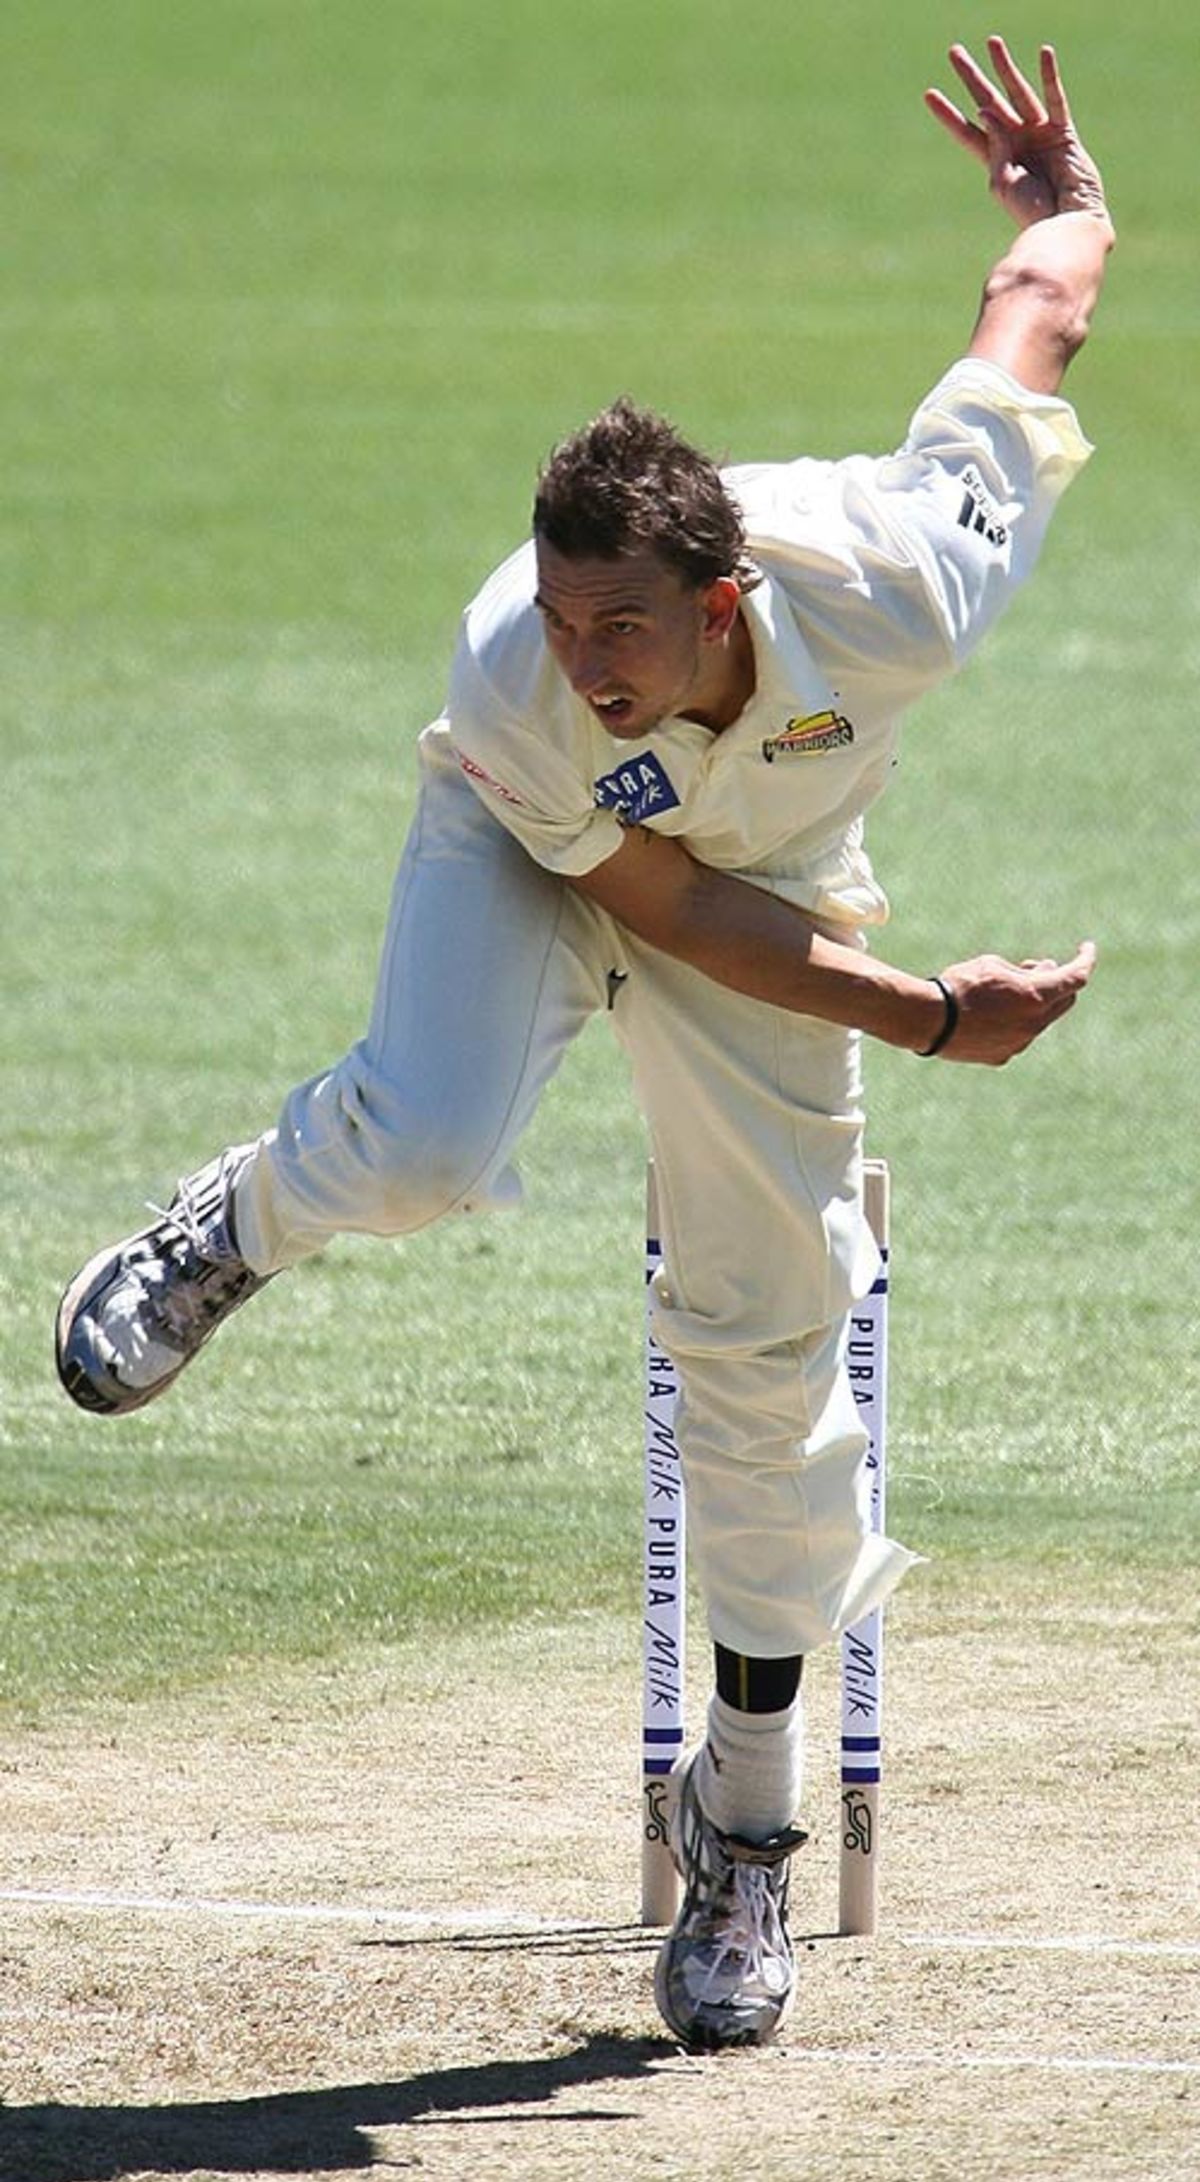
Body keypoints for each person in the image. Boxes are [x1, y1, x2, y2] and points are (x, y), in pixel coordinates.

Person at [56, 38, 1113, 2050]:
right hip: (566, 854)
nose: (578, 651)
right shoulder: (518, 679)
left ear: (724, 600)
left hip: (780, 867)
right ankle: (239, 1221)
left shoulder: (895, 587)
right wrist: (929, 1013)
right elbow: (660, 906)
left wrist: (1061, 201)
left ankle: (748, 1836)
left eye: (616, 625)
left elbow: (1031, 335)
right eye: (554, 609)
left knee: (770, 1355)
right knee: (433, 1137)